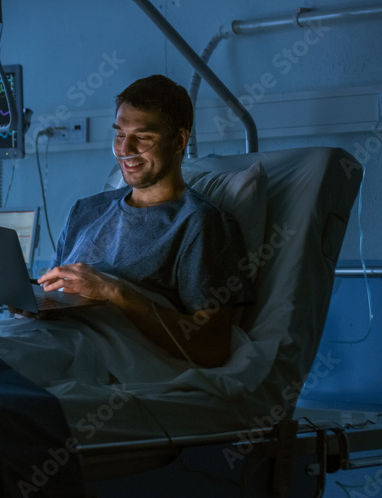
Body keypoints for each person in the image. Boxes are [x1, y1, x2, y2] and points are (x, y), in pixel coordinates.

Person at [19, 74, 254, 368]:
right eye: (119, 135)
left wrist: (114, 292)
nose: (125, 150)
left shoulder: (199, 224)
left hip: (93, 358)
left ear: (179, 140)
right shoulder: (86, 211)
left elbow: (211, 347)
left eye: (142, 137)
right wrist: (36, 305)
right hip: (42, 338)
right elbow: (54, 292)